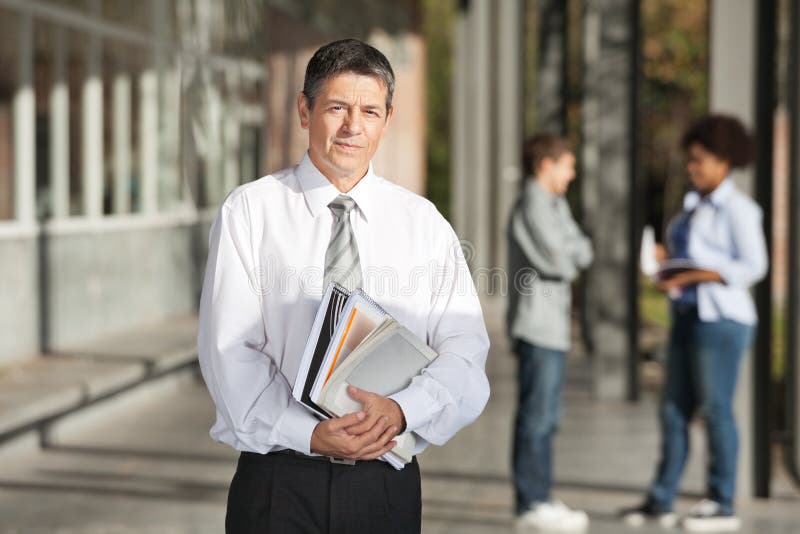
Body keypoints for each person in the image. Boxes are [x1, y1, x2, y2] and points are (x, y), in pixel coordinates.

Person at [197, 38, 490, 533]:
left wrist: (401, 411)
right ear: (304, 110)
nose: (354, 126)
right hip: (280, 484)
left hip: (384, 488)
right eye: (338, 107)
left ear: (387, 119)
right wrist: (311, 434)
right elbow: (229, 350)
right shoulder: (251, 212)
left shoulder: (423, 224)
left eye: (370, 111)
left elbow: (464, 348)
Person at [620, 114, 767, 532]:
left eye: (700, 160)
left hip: (722, 322)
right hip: (686, 316)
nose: (692, 168)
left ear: (724, 162)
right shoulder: (692, 206)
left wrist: (698, 273)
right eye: (691, 161)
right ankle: (662, 499)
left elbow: (754, 264)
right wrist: (668, 267)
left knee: (717, 410)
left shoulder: (740, 210)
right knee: (672, 410)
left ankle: (723, 503)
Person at [507, 133, 593, 532]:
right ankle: (531, 502)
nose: (572, 173)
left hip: (553, 328)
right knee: (537, 418)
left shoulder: (555, 205)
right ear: (546, 164)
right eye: (568, 164)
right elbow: (562, 260)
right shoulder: (533, 205)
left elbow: (583, 250)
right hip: (537, 327)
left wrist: (571, 254)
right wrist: (571, 255)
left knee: (548, 417)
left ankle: (540, 495)